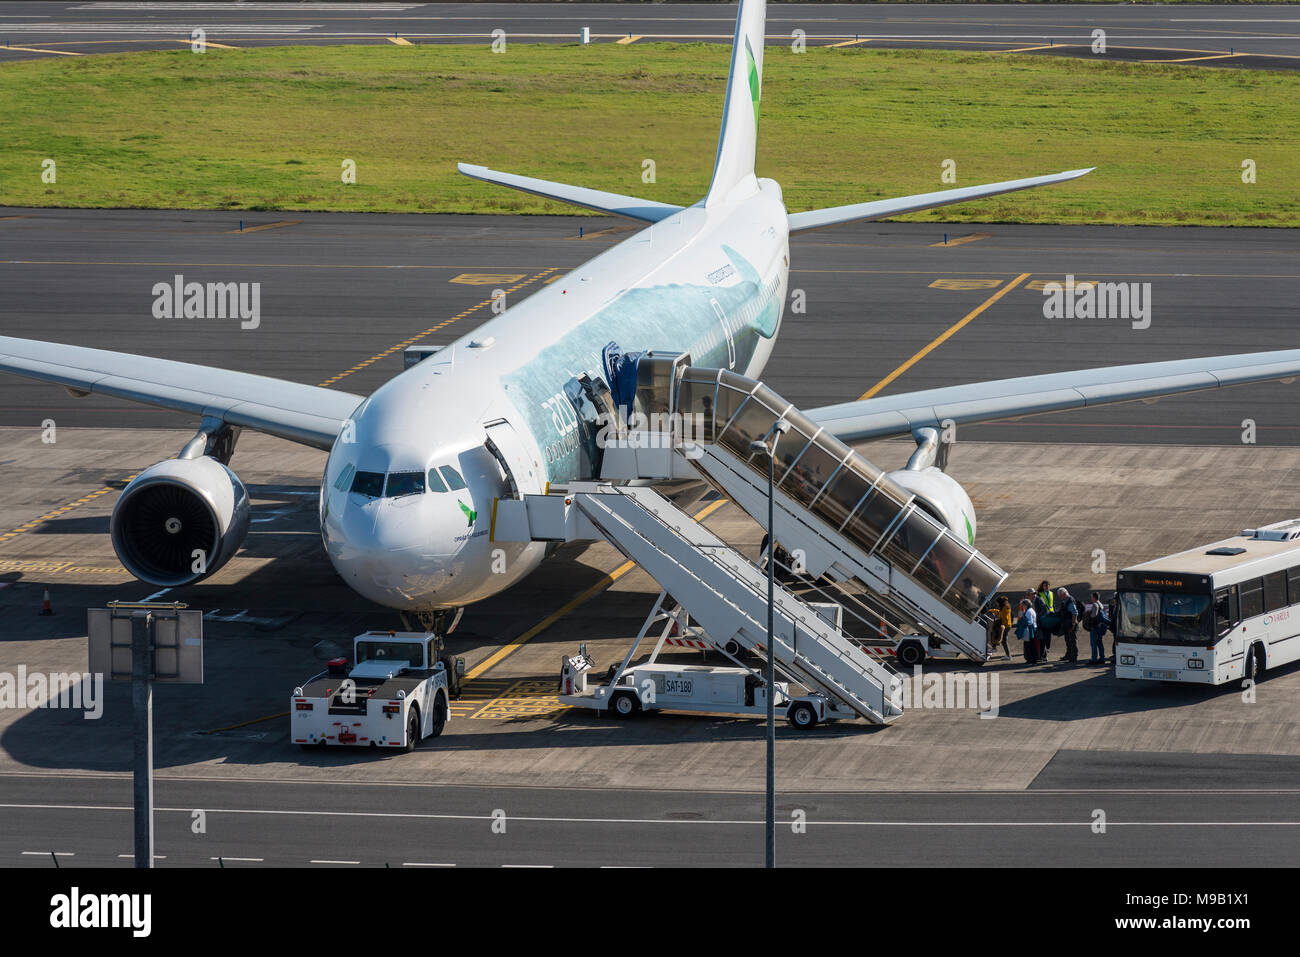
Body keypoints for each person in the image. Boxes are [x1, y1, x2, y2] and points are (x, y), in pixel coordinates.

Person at [1083, 591, 1110, 664]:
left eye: (1091, 597)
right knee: (1100, 643)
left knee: (1093, 643)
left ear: (1094, 598)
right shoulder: (1100, 604)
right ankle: (1102, 658)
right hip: (1100, 627)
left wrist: (1088, 612)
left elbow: (1093, 615)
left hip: (1095, 627)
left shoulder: (1095, 604)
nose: (1091, 598)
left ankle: (1094, 659)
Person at [1057, 587, 1080, 663]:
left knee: (1072, 641)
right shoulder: (1065, 600)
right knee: (1068, 640)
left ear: (1064, 594)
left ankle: (1074, 656)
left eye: (1060, 596)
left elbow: (1075, 613)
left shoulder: (1070, 601)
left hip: (1071, 624)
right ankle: (1069, 655)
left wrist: (1073, 624)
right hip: (1066, 624)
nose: (1060, 598)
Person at [1034, 581, 1056, 660]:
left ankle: (1047, 647)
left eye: (1047, 585)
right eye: (1045, 585)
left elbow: (1052, 604)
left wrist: (1055, 612)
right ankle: (1045, 649)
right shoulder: (1039, 594)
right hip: (1043, 616)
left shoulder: (1051, 593)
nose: (1046, 587)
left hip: (1050, 615)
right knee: (1044, 633)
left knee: (1049, 634)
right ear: (1042, 586)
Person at [989, 595, 1013, 659]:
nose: (996, 604)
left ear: (1000, 602)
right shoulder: (1005, 607)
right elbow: (1000, 613)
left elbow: (1002, 616)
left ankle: (1008, 655)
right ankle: (996, 648)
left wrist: (999, 621)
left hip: (1006, 626)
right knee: (1003, 640)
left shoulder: (1005, 608)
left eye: (997, 603)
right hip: (1007, 625)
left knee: (1003, 640)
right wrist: (993, 610)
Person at [1015, 599, 1038, 663]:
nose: (1022, 607)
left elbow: (1029, 622)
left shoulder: (1028, 611)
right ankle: (1032, 659)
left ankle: (1030, 659)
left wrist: (1022, 622)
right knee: (1031, 645)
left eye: (1023, 605)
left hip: (1029, 629)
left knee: (1028, 645)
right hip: (1032, 629)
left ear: (1026, 605)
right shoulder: (1031, 610)